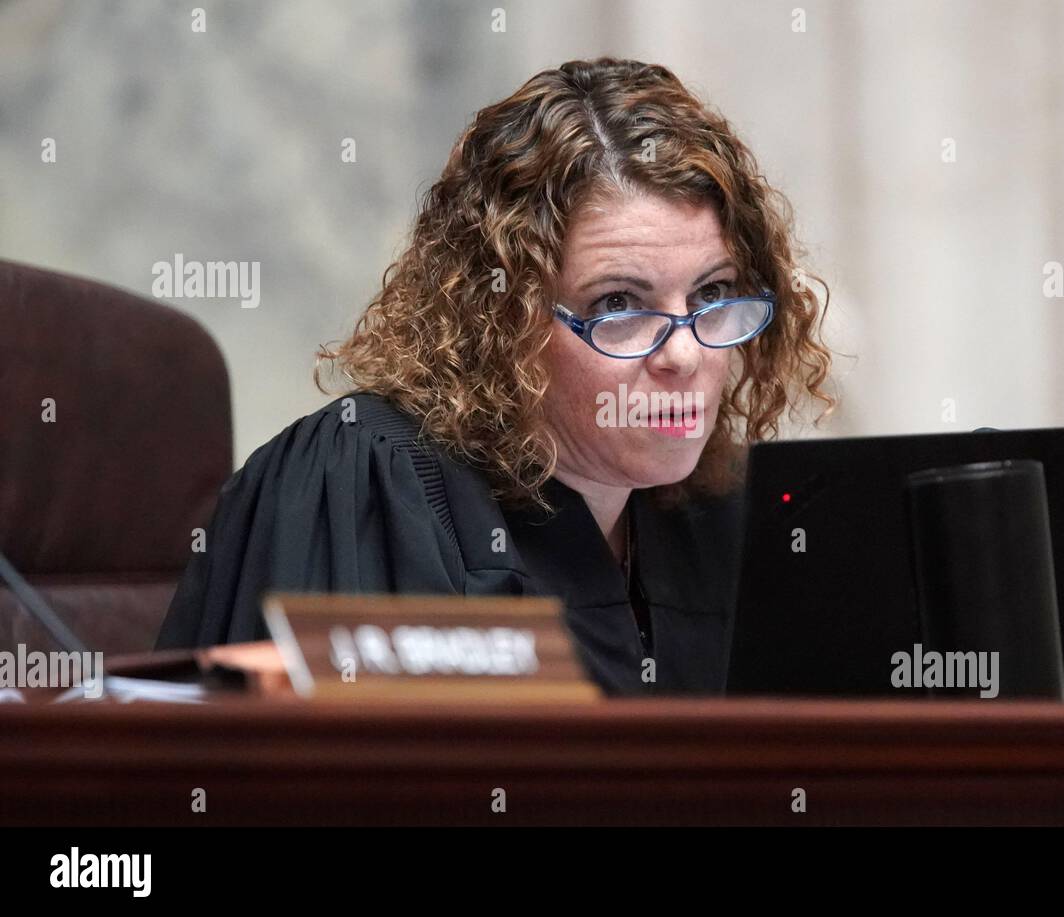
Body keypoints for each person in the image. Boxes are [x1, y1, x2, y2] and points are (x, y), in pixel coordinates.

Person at [156, 57, 834, 695]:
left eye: (713, 295)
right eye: (619, 304)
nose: (684, 356)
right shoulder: (363, 482)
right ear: (502, 319)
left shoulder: (715, 515)